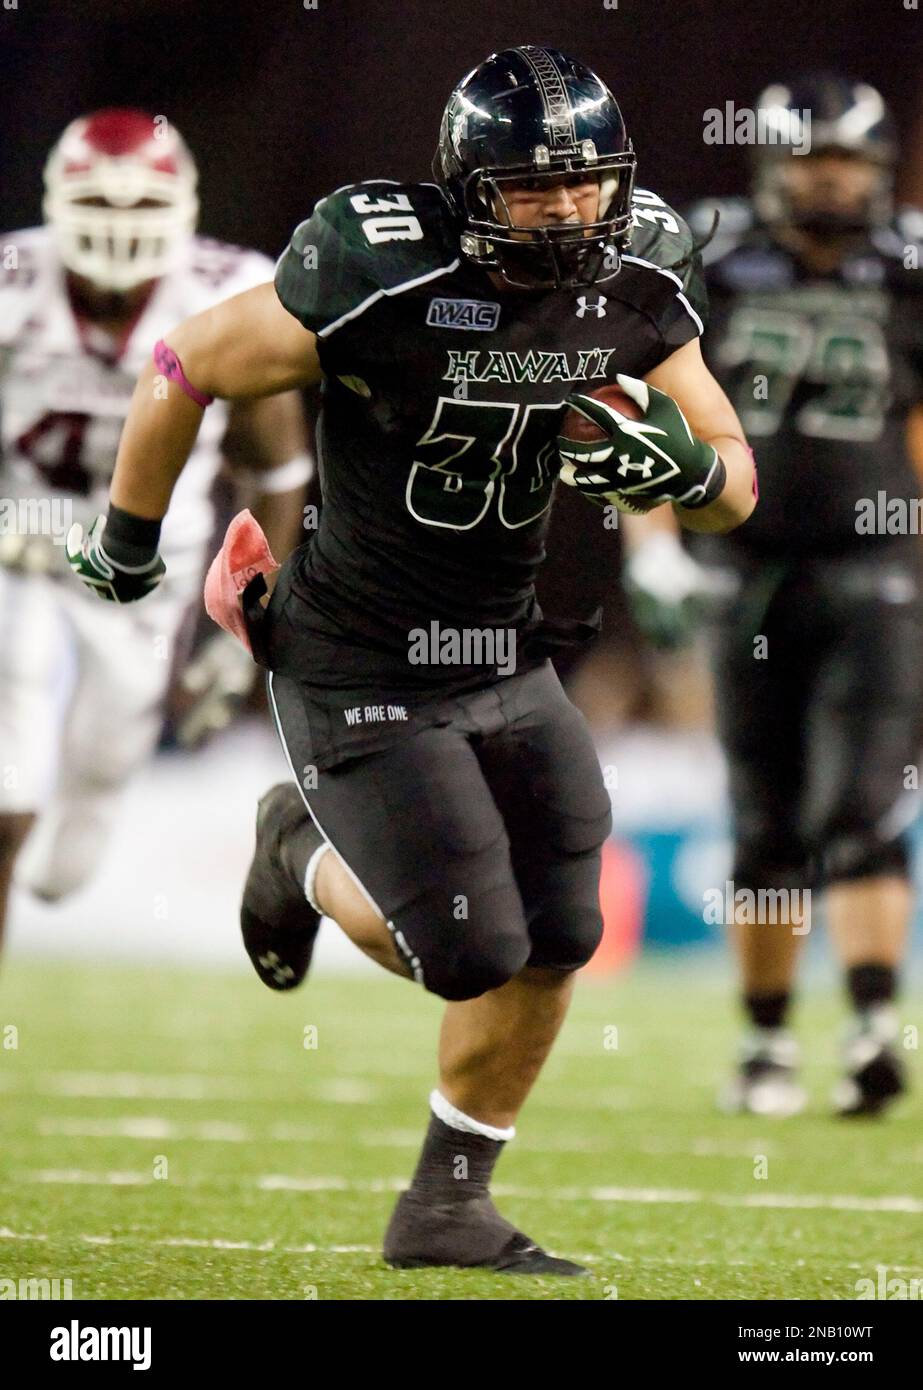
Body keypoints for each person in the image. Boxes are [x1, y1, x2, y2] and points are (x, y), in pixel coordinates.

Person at [69, 49, 754, 1273]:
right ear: (465, 186)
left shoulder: (637, 268)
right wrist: (127, 544)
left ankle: (445, 1207)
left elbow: (730, 478)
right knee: (464, 949)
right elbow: (184, 365)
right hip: (356, 654)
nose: (565, 211)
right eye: (533, 190)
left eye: (587, 185)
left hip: (504, 643)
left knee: (558, 935)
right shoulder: (384, 264)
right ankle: (298, 843)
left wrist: (689, 477)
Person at [629, 75, 923, 1117]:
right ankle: (762, 1041)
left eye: (848, 162)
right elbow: (642, 409)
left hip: (875, 567)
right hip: (739, 569)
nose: (833, 180)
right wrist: (649, 544)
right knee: (761, 818)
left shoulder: (906, 266)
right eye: (813, 160)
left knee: (861, 803)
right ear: (771, 163)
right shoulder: (709, 257)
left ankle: (869, 1026)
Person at [0, 108, 311, 950]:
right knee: (8, 774)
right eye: (103, 204)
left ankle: (54, 851)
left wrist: (248, 625)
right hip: (13, 546)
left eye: (142, 208)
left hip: (142, 569)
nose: (120, 227)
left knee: (97, 780)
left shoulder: (223, 286)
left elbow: (275, 467)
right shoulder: (13, 279)